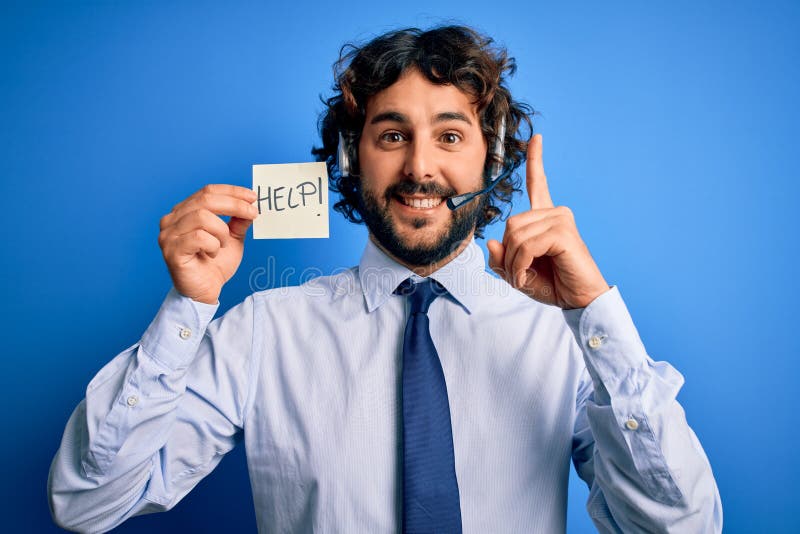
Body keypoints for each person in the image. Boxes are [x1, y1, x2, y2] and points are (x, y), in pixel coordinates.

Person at [48, 25, 722, 533]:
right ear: (352, 157)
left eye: (451, 137)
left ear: (493, 160)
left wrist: (593, 313)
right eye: (392, 135)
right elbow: (87, 501)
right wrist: (187, 308)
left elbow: (682, 525)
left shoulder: (564, 341)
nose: (420, 168)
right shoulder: (263, 331)